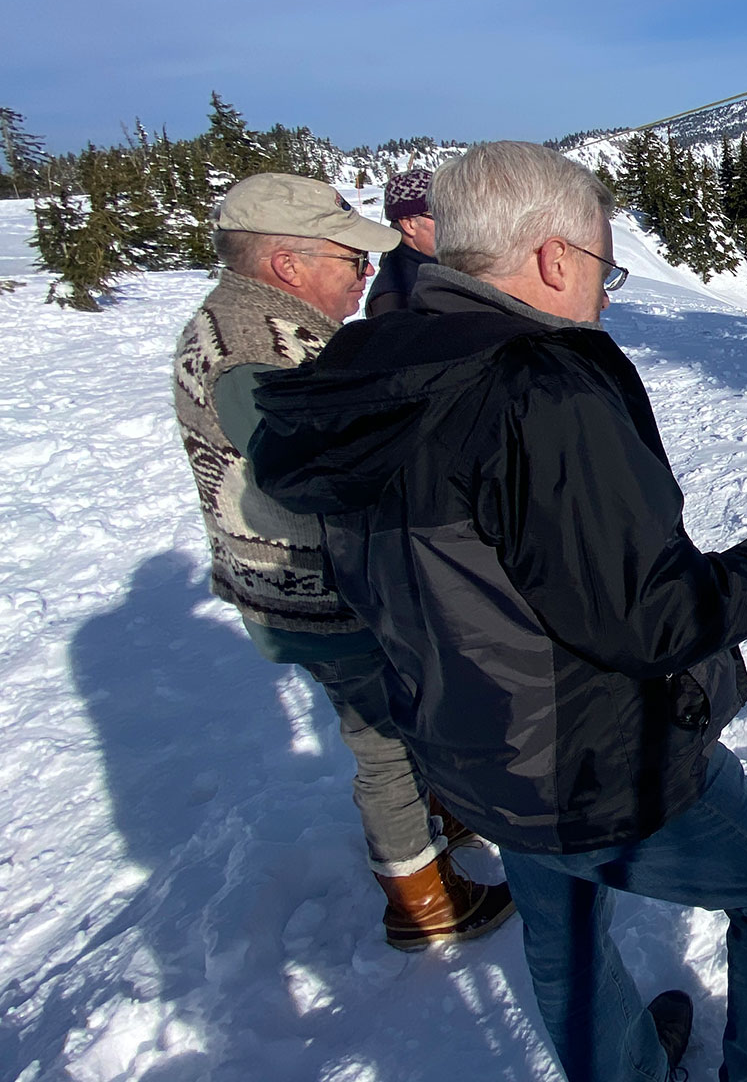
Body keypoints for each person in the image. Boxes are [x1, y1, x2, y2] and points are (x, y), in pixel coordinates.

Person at [247, 142, 747, 1082]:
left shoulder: (371, 367)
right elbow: (655, 618)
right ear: (553, 259)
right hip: (594, 761)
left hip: (477, 749)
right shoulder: (538, 389)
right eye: (605, 267)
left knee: (564, 935)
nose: (609, 293)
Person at [170, 172, 516, 951]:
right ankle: (424, 900)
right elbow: (329, 472)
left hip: (301, 584)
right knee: (384, 740)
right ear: (288, 265)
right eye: (349, 259)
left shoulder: (251, 320)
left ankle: (449, 810)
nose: (364, 273)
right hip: (320, 594)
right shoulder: (259, 353)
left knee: (406, 710)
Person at [364, 167, 436, 316]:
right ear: (409, 224)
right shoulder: (396, 298)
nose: (453, 223)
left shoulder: (433, 269)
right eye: (440, 214)